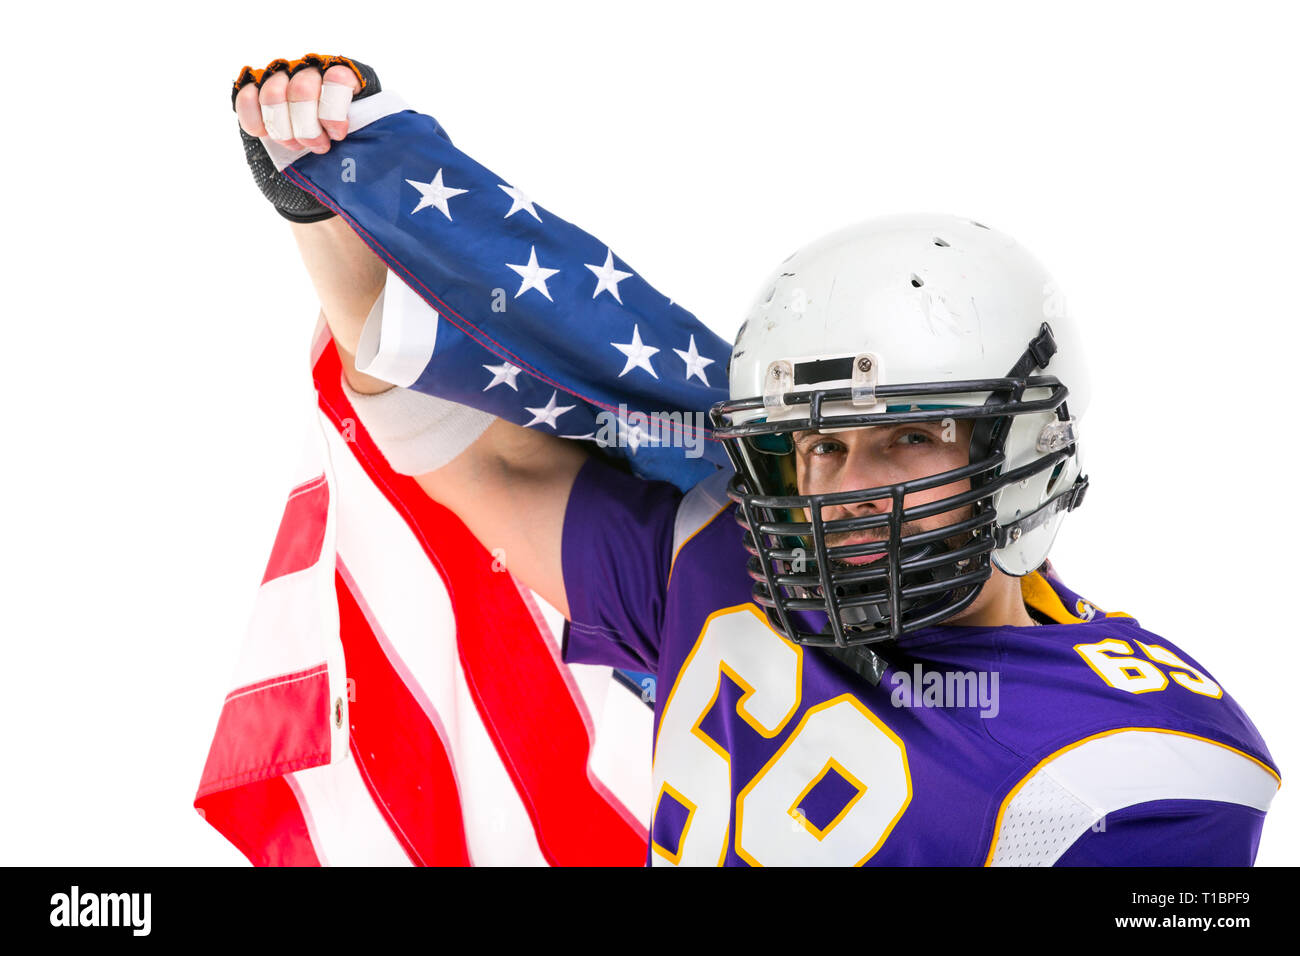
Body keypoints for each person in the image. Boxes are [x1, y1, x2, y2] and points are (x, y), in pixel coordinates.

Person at [234, 55, 1280, 866]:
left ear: (1025, 449)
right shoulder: (723, 564)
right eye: (819, 443)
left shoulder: (1148, 762)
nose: (847, 486)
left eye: (908, 436)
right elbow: (459, 440)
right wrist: (328, 202)